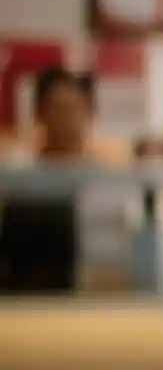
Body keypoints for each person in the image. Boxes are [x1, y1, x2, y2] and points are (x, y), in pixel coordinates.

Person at [0, 69, 96, 293]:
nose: (67, 120)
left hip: (84, 298)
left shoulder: (103, 180)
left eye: (75, 109)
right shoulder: (16, 171)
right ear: (40, 114)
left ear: (89, 114)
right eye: (58, 109)